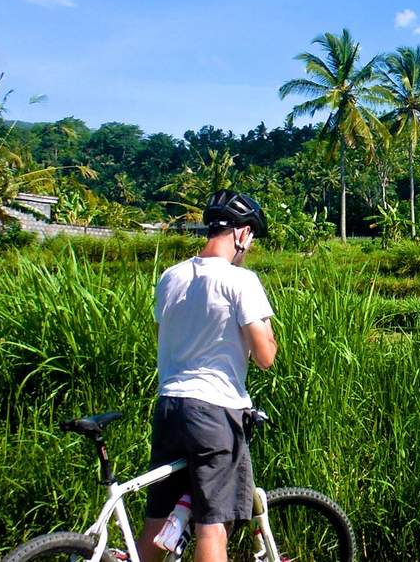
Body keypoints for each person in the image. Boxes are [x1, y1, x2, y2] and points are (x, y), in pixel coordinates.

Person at [134, 190, 278, 562]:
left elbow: (164, 335)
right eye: (251, 237)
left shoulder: (171, 276)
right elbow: (266, 357)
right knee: (212, 527)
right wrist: (264, 331)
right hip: (215, 411)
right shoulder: (240, 280)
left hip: (170, 406)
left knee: (158, 522)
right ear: (242, 233)